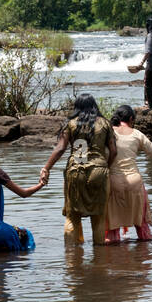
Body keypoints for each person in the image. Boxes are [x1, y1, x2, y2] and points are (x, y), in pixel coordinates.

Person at [39, 93, 118, 245]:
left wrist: (46, 168)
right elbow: (113, 151)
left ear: (77, 107)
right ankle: (99, 260)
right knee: (99, 219)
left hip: (76, 170)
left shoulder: (71, 123)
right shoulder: (105, 123)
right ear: (95, 106)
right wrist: (104, 167)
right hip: (99, 171)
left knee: (72, 218)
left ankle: (71, 260)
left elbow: (61, 148)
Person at [104, 105, 152, 242]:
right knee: (142, 227)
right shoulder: (136, 134)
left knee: (111, 229)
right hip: (134, 182)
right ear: (131, 119)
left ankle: (110, 260)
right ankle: (143, 259)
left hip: (113, 182)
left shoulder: (108, 133)